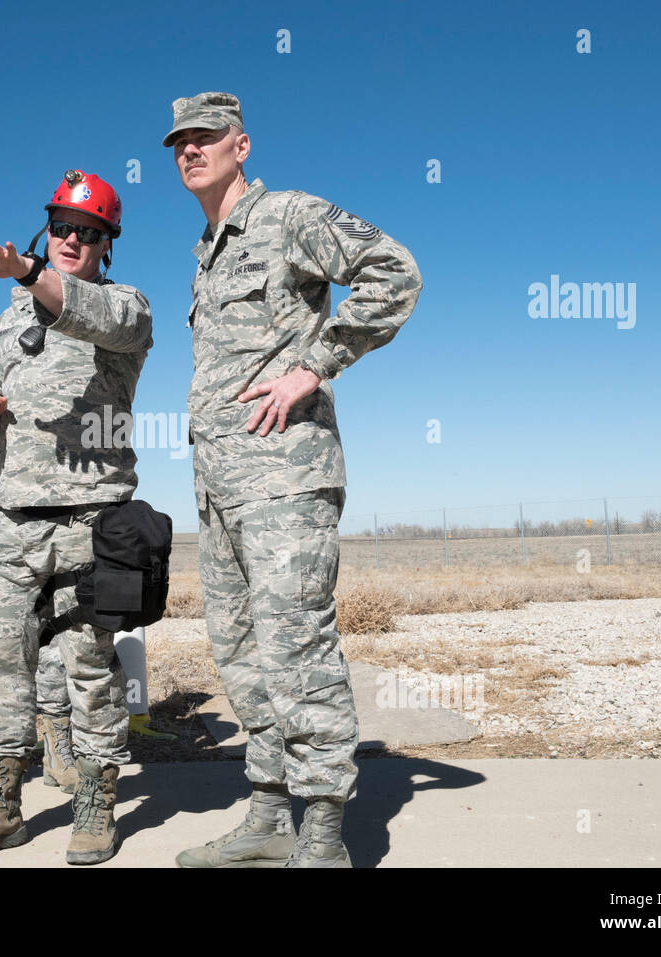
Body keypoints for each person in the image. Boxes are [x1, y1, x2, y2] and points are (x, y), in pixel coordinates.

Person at [163, 93, 422, 867]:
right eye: (180, 141)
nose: (190, 149)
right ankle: (270, 814)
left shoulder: (290, 216)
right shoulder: (207, 251)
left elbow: (395, 272)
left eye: (206, 136)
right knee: (242, 655)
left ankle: (324, 835)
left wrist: (315, 365)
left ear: (241, 145)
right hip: (220, 488)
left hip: (286, 478)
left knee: (296, 648)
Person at [0, 170, 152, 865]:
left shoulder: (126, 307)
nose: (71, 239)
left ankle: (95, 804)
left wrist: (29, 271)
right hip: (7, 520)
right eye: (61, 226)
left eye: (88, 232)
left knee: (91, 667)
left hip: (91, 519)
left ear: (108, 244)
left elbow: (90, 316)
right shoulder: (10, 318)